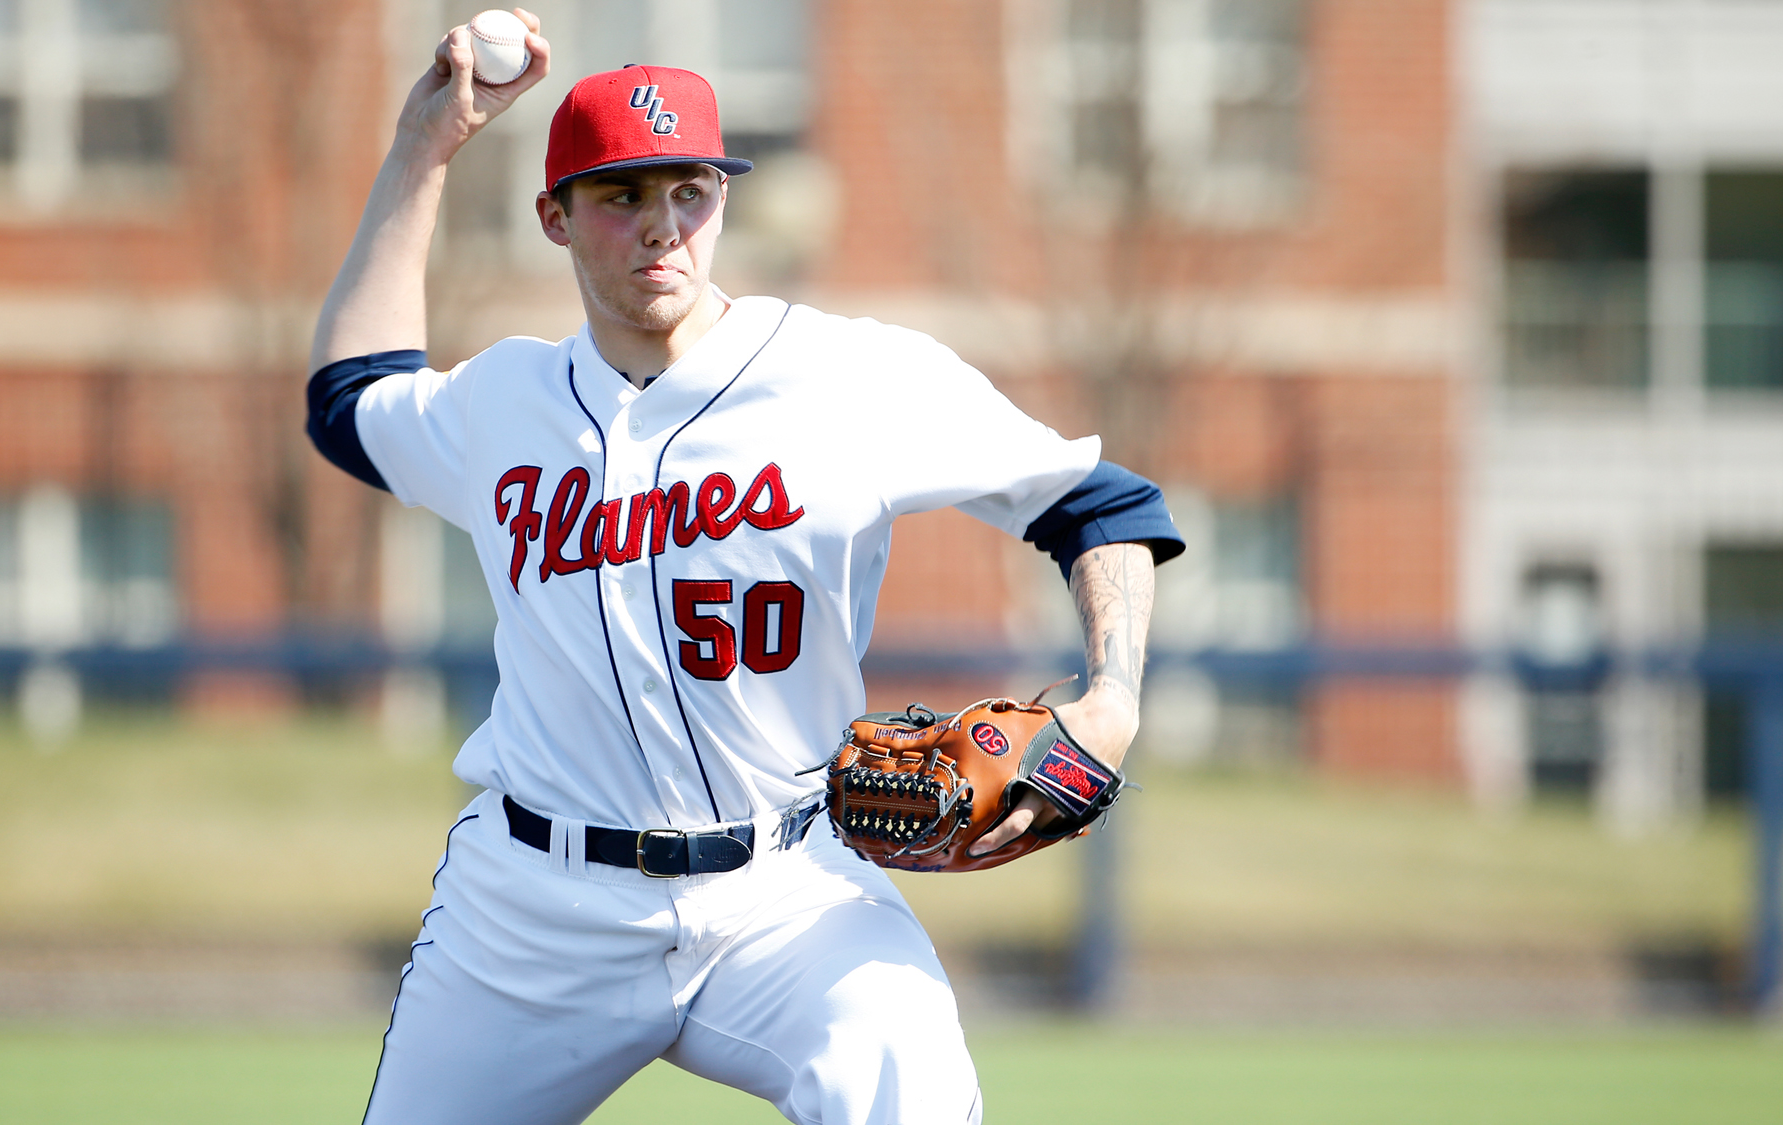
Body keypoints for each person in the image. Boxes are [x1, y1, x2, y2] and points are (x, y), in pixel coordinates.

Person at [305, 12, 1182, 1124]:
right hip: (532, 911)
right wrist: (420, 151)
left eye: (690, 191)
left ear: (721, 198)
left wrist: (1113, 700)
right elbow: (350, 403)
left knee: (911, 1087)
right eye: (622, 194)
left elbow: (1103, 505)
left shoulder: (849, 377)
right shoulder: (501, 402)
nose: (661, 226)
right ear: (555, 216)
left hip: (788, 892)